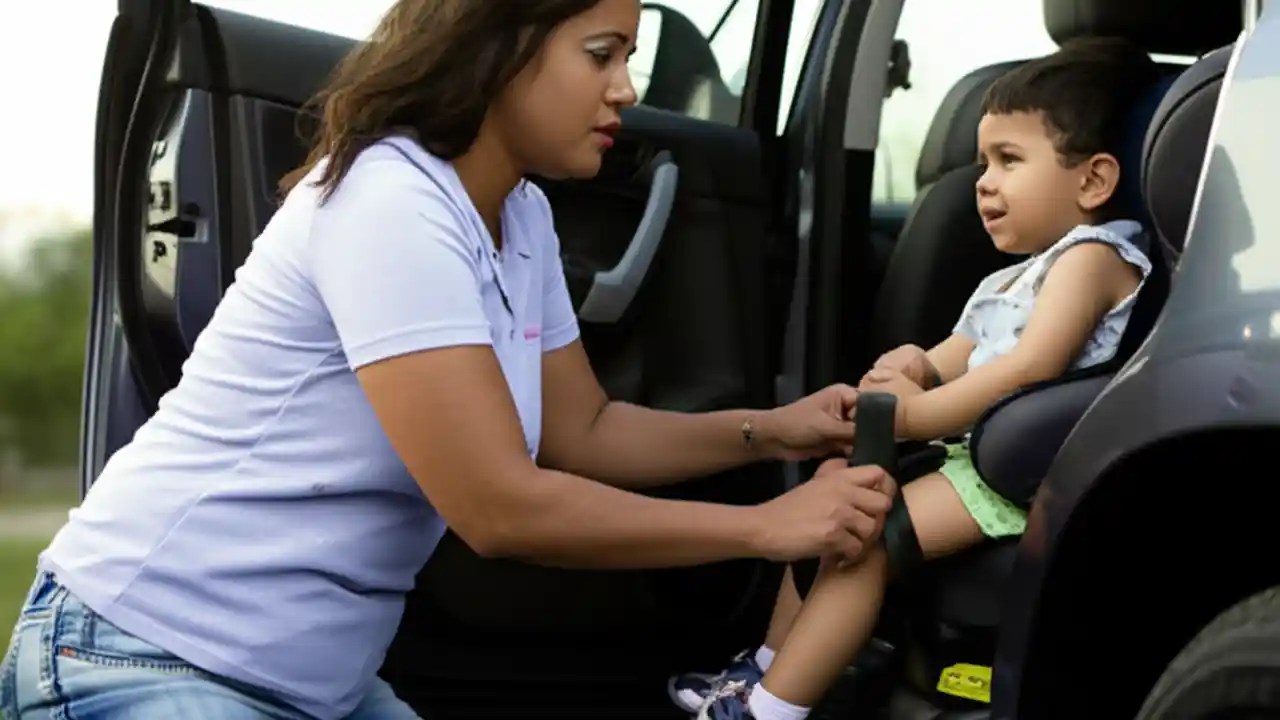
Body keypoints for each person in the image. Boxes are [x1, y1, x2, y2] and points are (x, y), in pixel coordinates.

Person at [0, 2, 899, 719]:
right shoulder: (390, 198)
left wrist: (769, 432)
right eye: (601, 53)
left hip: (311, 685)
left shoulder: (522, 217)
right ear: (500, 45)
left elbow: (583, 431)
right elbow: (499, 508)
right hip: (140, 655)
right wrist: (769, 526)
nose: (626, 87)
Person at [683, 37, 1161, 719]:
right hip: (978, 457)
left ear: (1093, 181)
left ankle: (773, 710)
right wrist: (914, 365)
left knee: (864, 537)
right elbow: (959, 352)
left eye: (1009, 161)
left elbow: (1030, 368)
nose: (984, 182)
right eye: (982, 163)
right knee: (829, 502)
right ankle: (763, 670)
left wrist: (908, 416)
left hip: (1025, 474)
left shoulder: (1091, 259)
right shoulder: (1017, 274)